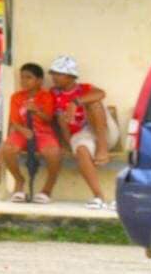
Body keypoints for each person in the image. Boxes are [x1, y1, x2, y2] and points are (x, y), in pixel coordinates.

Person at [42, 55, 112, 208]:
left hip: (103, 131)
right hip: (81, 134)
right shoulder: (53, 93)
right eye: (53, 73)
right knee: (81, 150)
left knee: (95, 104)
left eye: (58, 74)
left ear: (70, 76)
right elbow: (59, 121)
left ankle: (102, 148)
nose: (53, 77)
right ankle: (99, 197)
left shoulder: (84, 89)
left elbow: (101, 93)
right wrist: (67, 143)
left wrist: (75, 102)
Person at [0, 62, 60, 203]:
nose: (24, 81)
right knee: (8, 149)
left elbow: (48, 118)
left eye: (28, 77)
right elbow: (14, 120)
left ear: (39, 81)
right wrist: (23, 130)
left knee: (53, 153)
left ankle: (47, 189)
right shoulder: (16, 97)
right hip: (22, 132)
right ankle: (19, 181)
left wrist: (36, 110)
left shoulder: (46, 96)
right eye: (22, 77)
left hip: (43, 132)